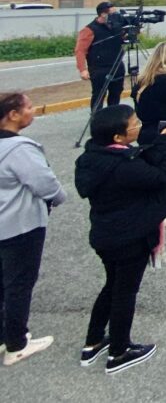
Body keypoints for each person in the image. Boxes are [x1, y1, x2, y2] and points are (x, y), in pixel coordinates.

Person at [75, 104, 166, 375]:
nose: (138, 124)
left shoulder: (92, 159)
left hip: (105, 234)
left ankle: (94, 340)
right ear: (118, 137)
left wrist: (161, 140)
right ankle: (119, 352)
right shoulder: (122, 167)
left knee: (112, 285)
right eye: (134, 123)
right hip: (129, 238)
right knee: (125, 292)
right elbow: (161, 177)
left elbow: (142, 158)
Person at [0, 92, 67, 367]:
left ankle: (4, 334)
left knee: (3, 281)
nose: (32, 111)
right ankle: (17, 343)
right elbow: (44, 183)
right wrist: (59, 197)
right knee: (20, 283)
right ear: (12, 115)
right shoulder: (20, 149)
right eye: (28, 107)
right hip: (20, 225)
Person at [75, 1, 126, 109]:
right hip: (99, 68)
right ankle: (96, 119)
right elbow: (80, 50)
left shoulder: (117, 27)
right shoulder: (89, 29)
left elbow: (122, 40)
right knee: (99, 95)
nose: (116, 16)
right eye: (113, 13)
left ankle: (112, 118)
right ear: (103, 14)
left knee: (116, 93)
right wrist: (82, 69)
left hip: (117, 65)